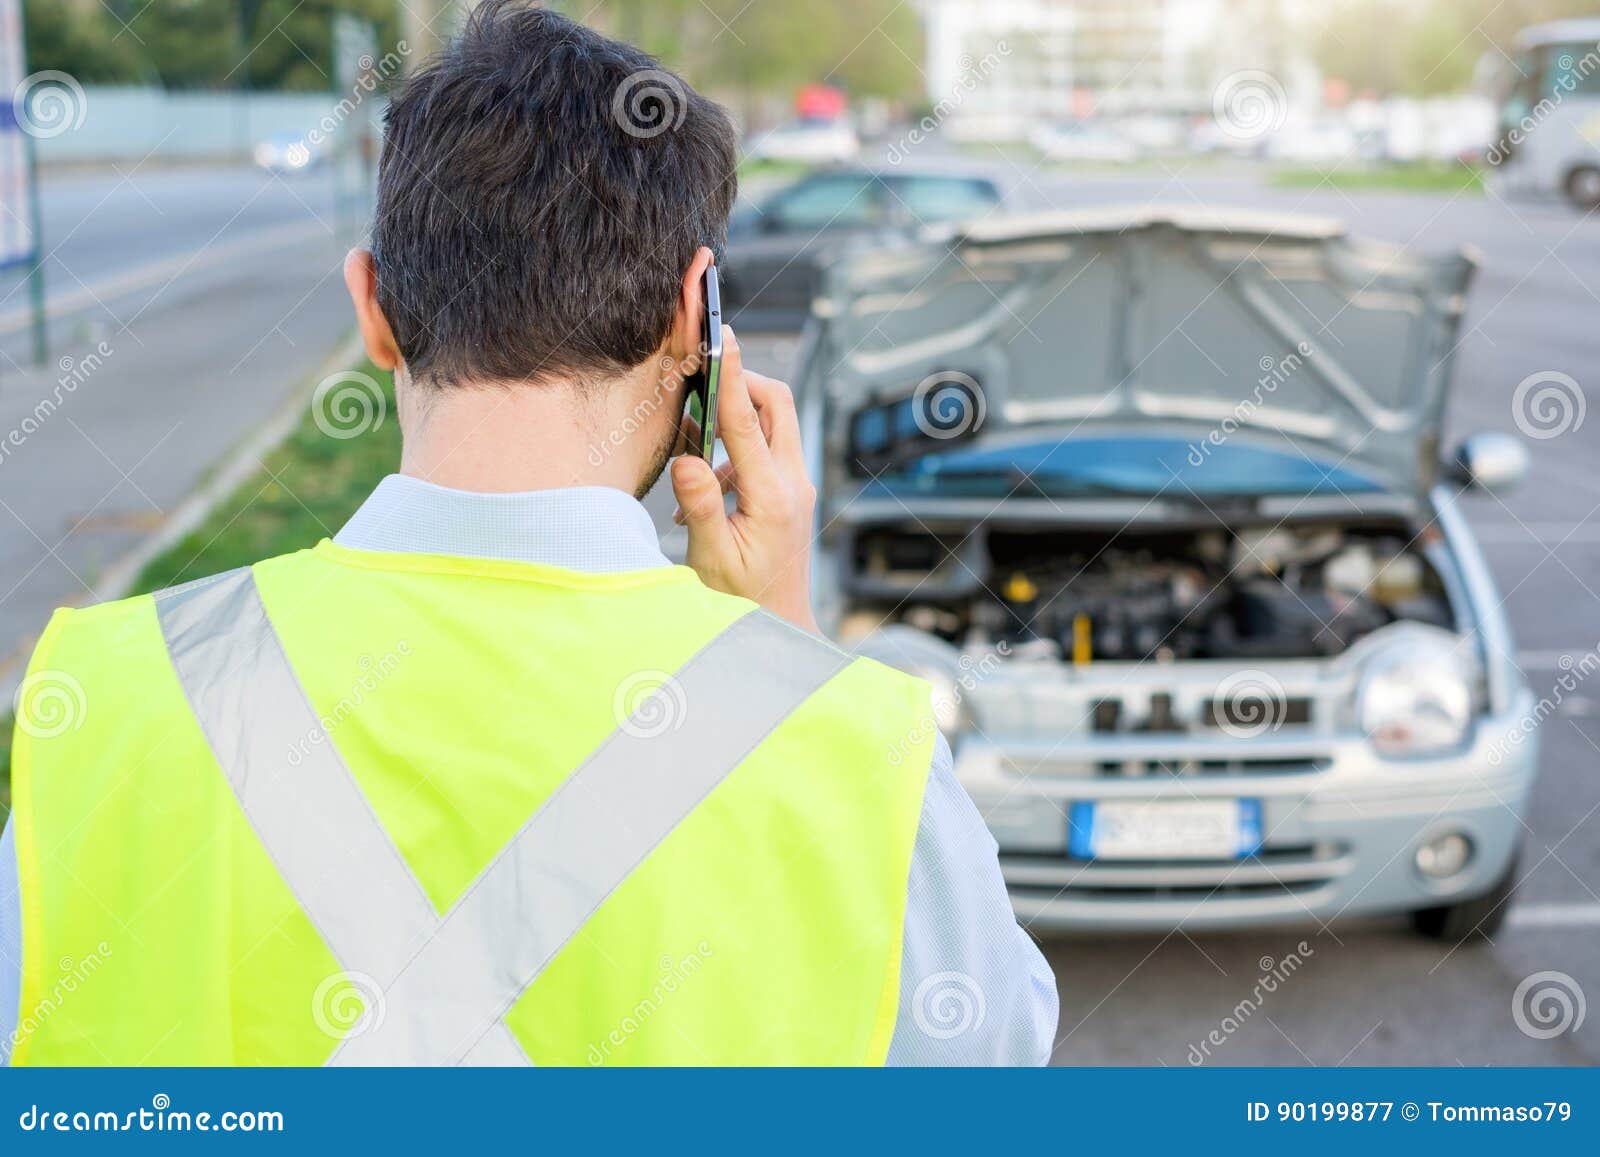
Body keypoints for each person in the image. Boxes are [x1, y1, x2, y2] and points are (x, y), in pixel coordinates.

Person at [0, 1, 1055, 1066]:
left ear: (372, 305)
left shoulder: (104, 706)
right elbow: (990, 1060)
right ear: (698, 317)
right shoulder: (858, 756)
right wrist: (784, 653)